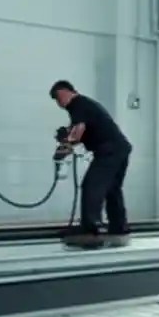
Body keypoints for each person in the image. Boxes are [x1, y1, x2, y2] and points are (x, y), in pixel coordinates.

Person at [50, 80, 133, 238]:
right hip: (120, 148)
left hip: (109, 150)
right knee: (112, 188)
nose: (59, 104)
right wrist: (67, 136)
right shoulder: (85, 105)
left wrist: (64, 148)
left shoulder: (77, 103)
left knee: (91, 185)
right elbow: (82, 129)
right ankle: (119, 226)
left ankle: (90, 226)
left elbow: (78, 131)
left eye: (57, 99)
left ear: (64, 92)